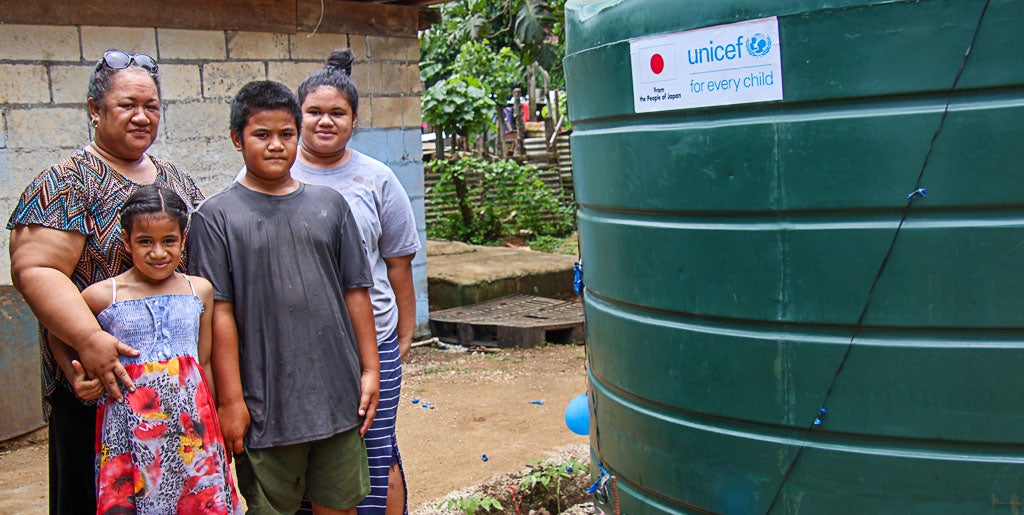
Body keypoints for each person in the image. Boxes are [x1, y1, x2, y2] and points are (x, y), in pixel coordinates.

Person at [7, 49, 204, 514]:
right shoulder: (66, 183)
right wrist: (89, 340)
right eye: (127, 105)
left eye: (151, 106)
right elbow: (36, 270)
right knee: (99, 499)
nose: (142, 116)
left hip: (173, 389)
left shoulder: (175, 181)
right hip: (96, 388)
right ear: (95, 110)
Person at [188, 80, 380, 515]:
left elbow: (355, 291)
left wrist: (370, 369)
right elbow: (219, 313)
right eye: (262, 135)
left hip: (337, 395)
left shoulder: (330, 206)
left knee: (339, 504)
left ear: (299, 135)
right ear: (237, 139)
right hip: (263, 405)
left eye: (286, 134)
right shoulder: (215, 218)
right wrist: (231, 401)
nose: (276, 146)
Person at [291, 48, 420, 515]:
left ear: (354, 119)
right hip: (303, 345)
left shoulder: (377, 179)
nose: (326, 122)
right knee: (314, 451)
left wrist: (402, 334)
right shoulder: (274, 175)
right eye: (314, 112)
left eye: (337, 113)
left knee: (375, 444)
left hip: (374, 340)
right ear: (298, 116)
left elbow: (398, 263)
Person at [66, 184, 240, 513]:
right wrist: (75, 375)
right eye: (145, 241)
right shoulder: (104, 296)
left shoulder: (198, 290)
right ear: (126, 240)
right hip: (129, 429)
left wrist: (213, 426)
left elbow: (202, 361)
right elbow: (58, 333)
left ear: (183, 239)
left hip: (192, 428)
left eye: (169, 241)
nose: (158, 252)